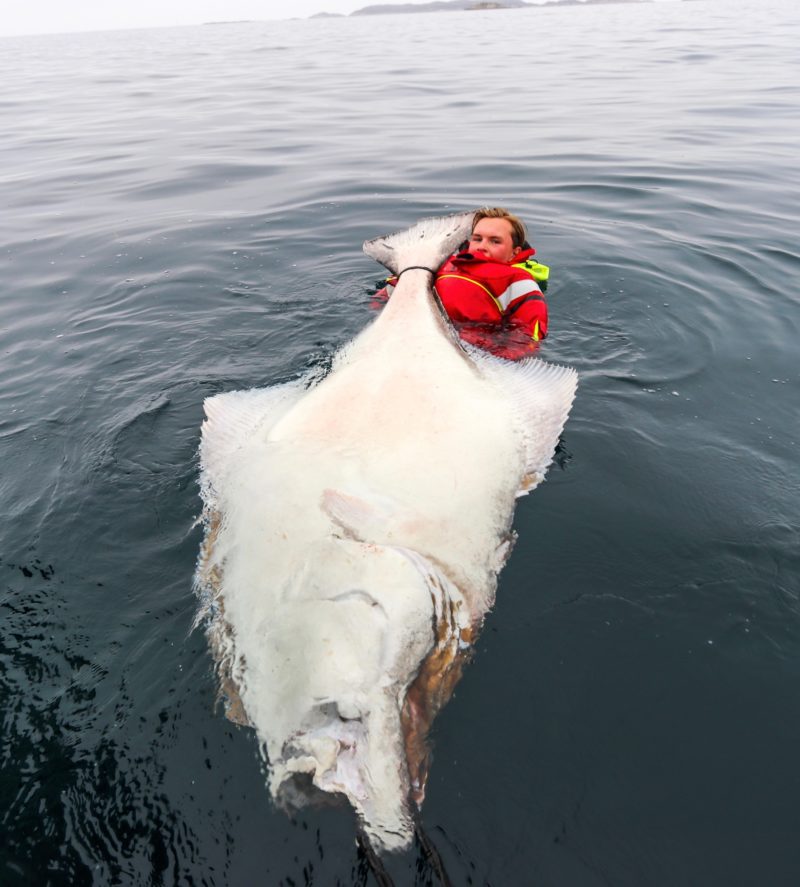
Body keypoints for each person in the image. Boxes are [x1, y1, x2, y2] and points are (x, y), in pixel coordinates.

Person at [375, 207, 549, 360]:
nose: (482, 246)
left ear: (514, 252)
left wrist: (494, 361)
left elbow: (530, 335)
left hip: (471, 352)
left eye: (495, 241)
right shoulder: (442, 262)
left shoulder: (518, 279)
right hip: (413, 335)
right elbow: (397, 288)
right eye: (477, 239)